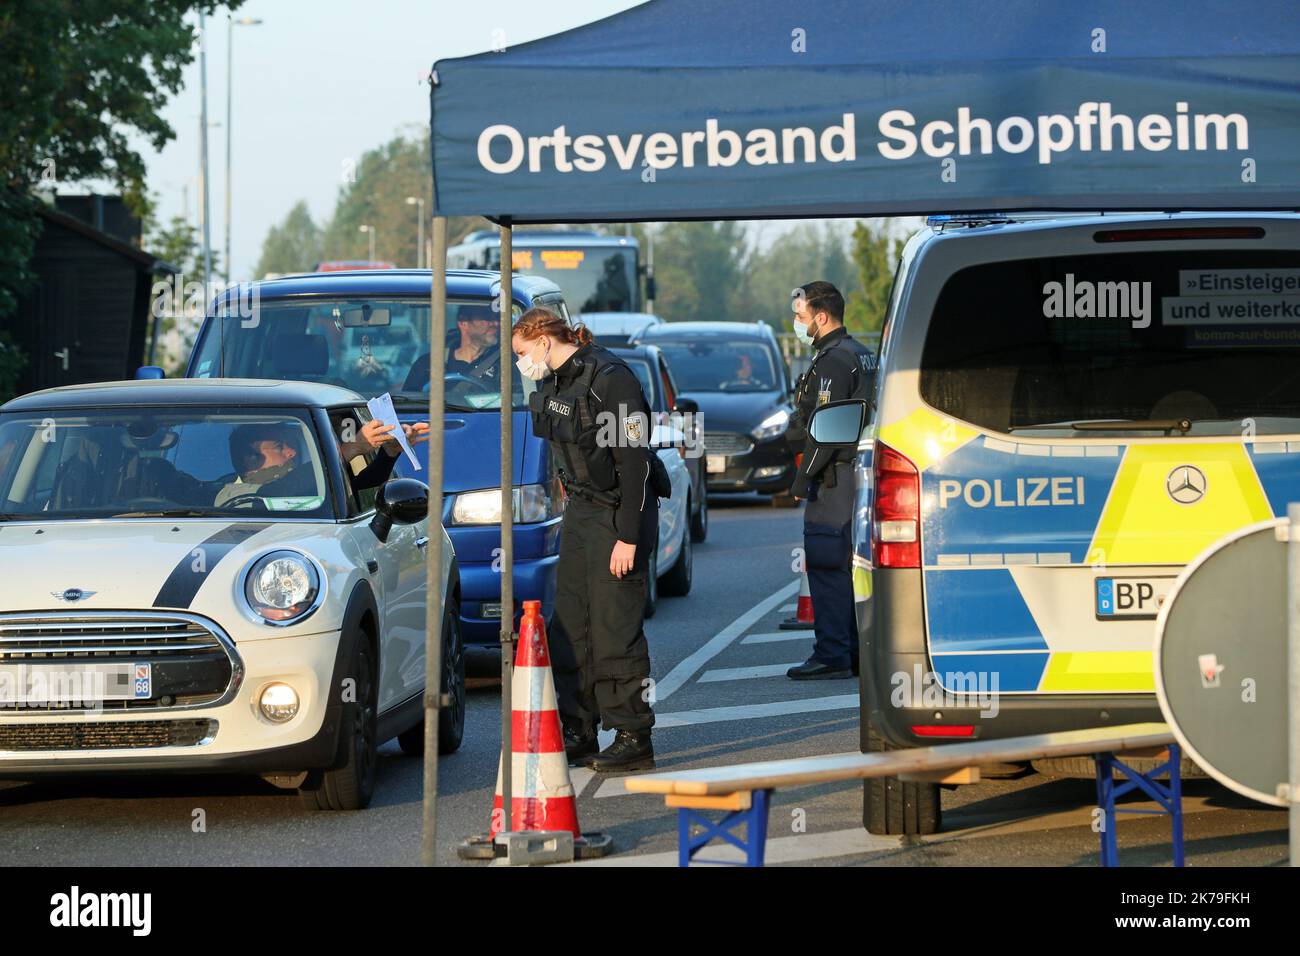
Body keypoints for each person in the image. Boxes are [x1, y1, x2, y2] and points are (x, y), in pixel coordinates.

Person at [512, 306, 670, 772]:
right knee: (571, 625)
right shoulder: (555, 382)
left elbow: (635, 462)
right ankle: (579, 729)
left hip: (619, 511)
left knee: (613, 626)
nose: (522, 363)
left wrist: (628, 536)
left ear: (543, 340)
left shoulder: (612, 378)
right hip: (581, 512)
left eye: (522, 352)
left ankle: (632, 734)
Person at [786, 281, 877, 681]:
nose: (796, 320)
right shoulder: (861, 353)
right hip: (861, 473)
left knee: (827, 562)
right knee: (854, 565)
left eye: (800, 314)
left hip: (837, 478)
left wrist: (801, 480)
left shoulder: (833, 361)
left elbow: (826, 430)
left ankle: (833, 653)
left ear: (821, 316)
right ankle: (857, 651)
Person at [216, 418, 428, 507]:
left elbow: (363, 485)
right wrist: (353, 447)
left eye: (290, 445)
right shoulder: (231, 496)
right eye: (280, 447)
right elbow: (277, 491)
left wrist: (389, 453)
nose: (292, 452)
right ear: (250, 460)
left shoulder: (308, 482)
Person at [403, 303, 500, 391]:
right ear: (463, 323)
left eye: (497, 318)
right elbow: (408, 404)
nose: (496, 323)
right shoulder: (427, 365)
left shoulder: (503, 364)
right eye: (487, 318)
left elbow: (513, 401)